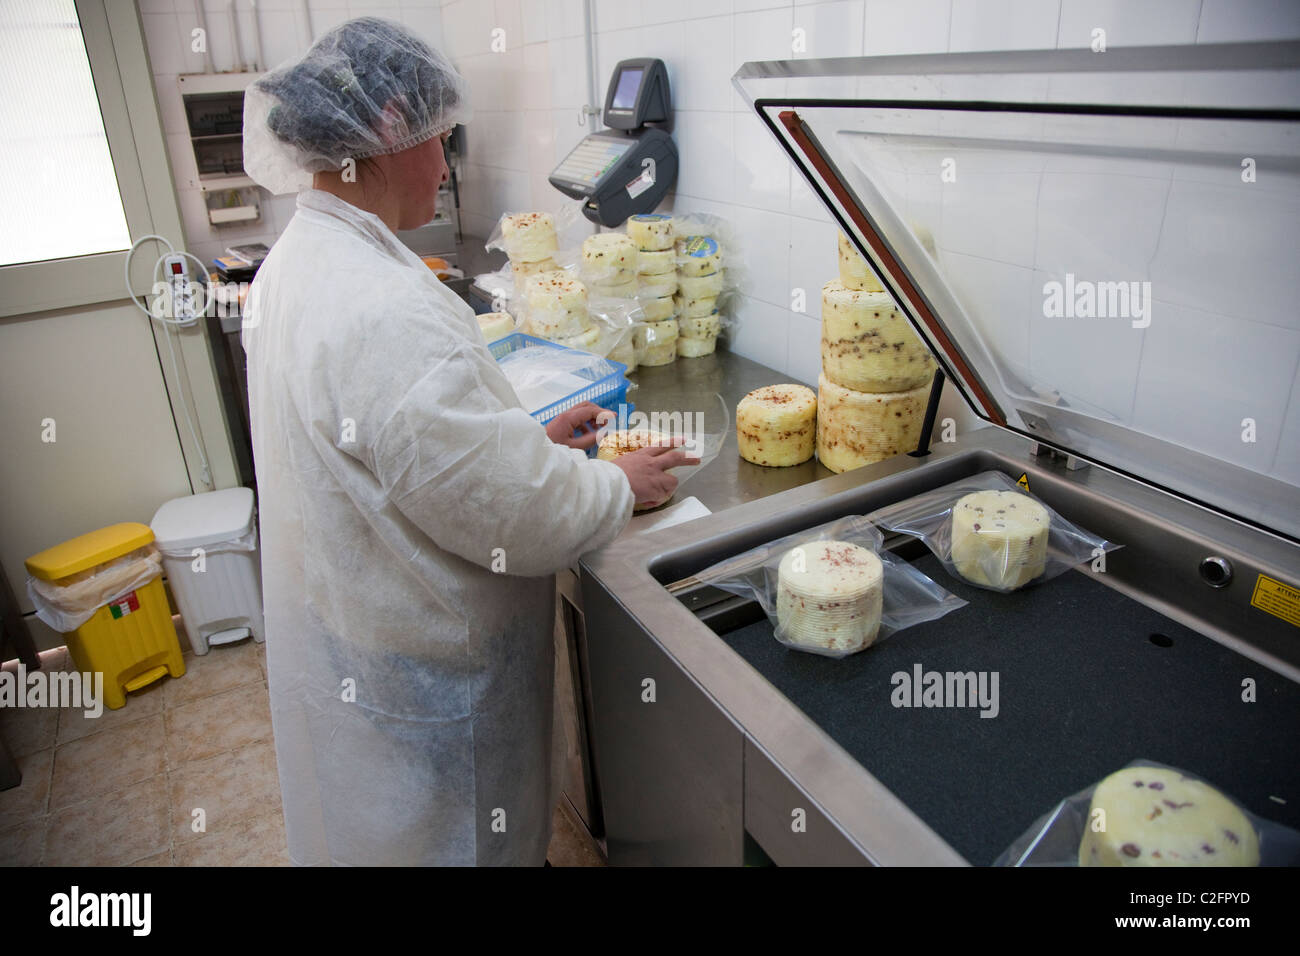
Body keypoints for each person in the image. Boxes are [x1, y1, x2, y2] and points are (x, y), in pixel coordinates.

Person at [241, 17, 696, 866]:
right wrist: (615, 483)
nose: (444, 163)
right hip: (428, 666)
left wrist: (523, 439)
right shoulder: (386, 307)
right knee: (455, 839)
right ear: (381, 138)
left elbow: (410, 457)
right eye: (436, 138)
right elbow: (512, 518)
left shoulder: (296, 265)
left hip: (359, 636)